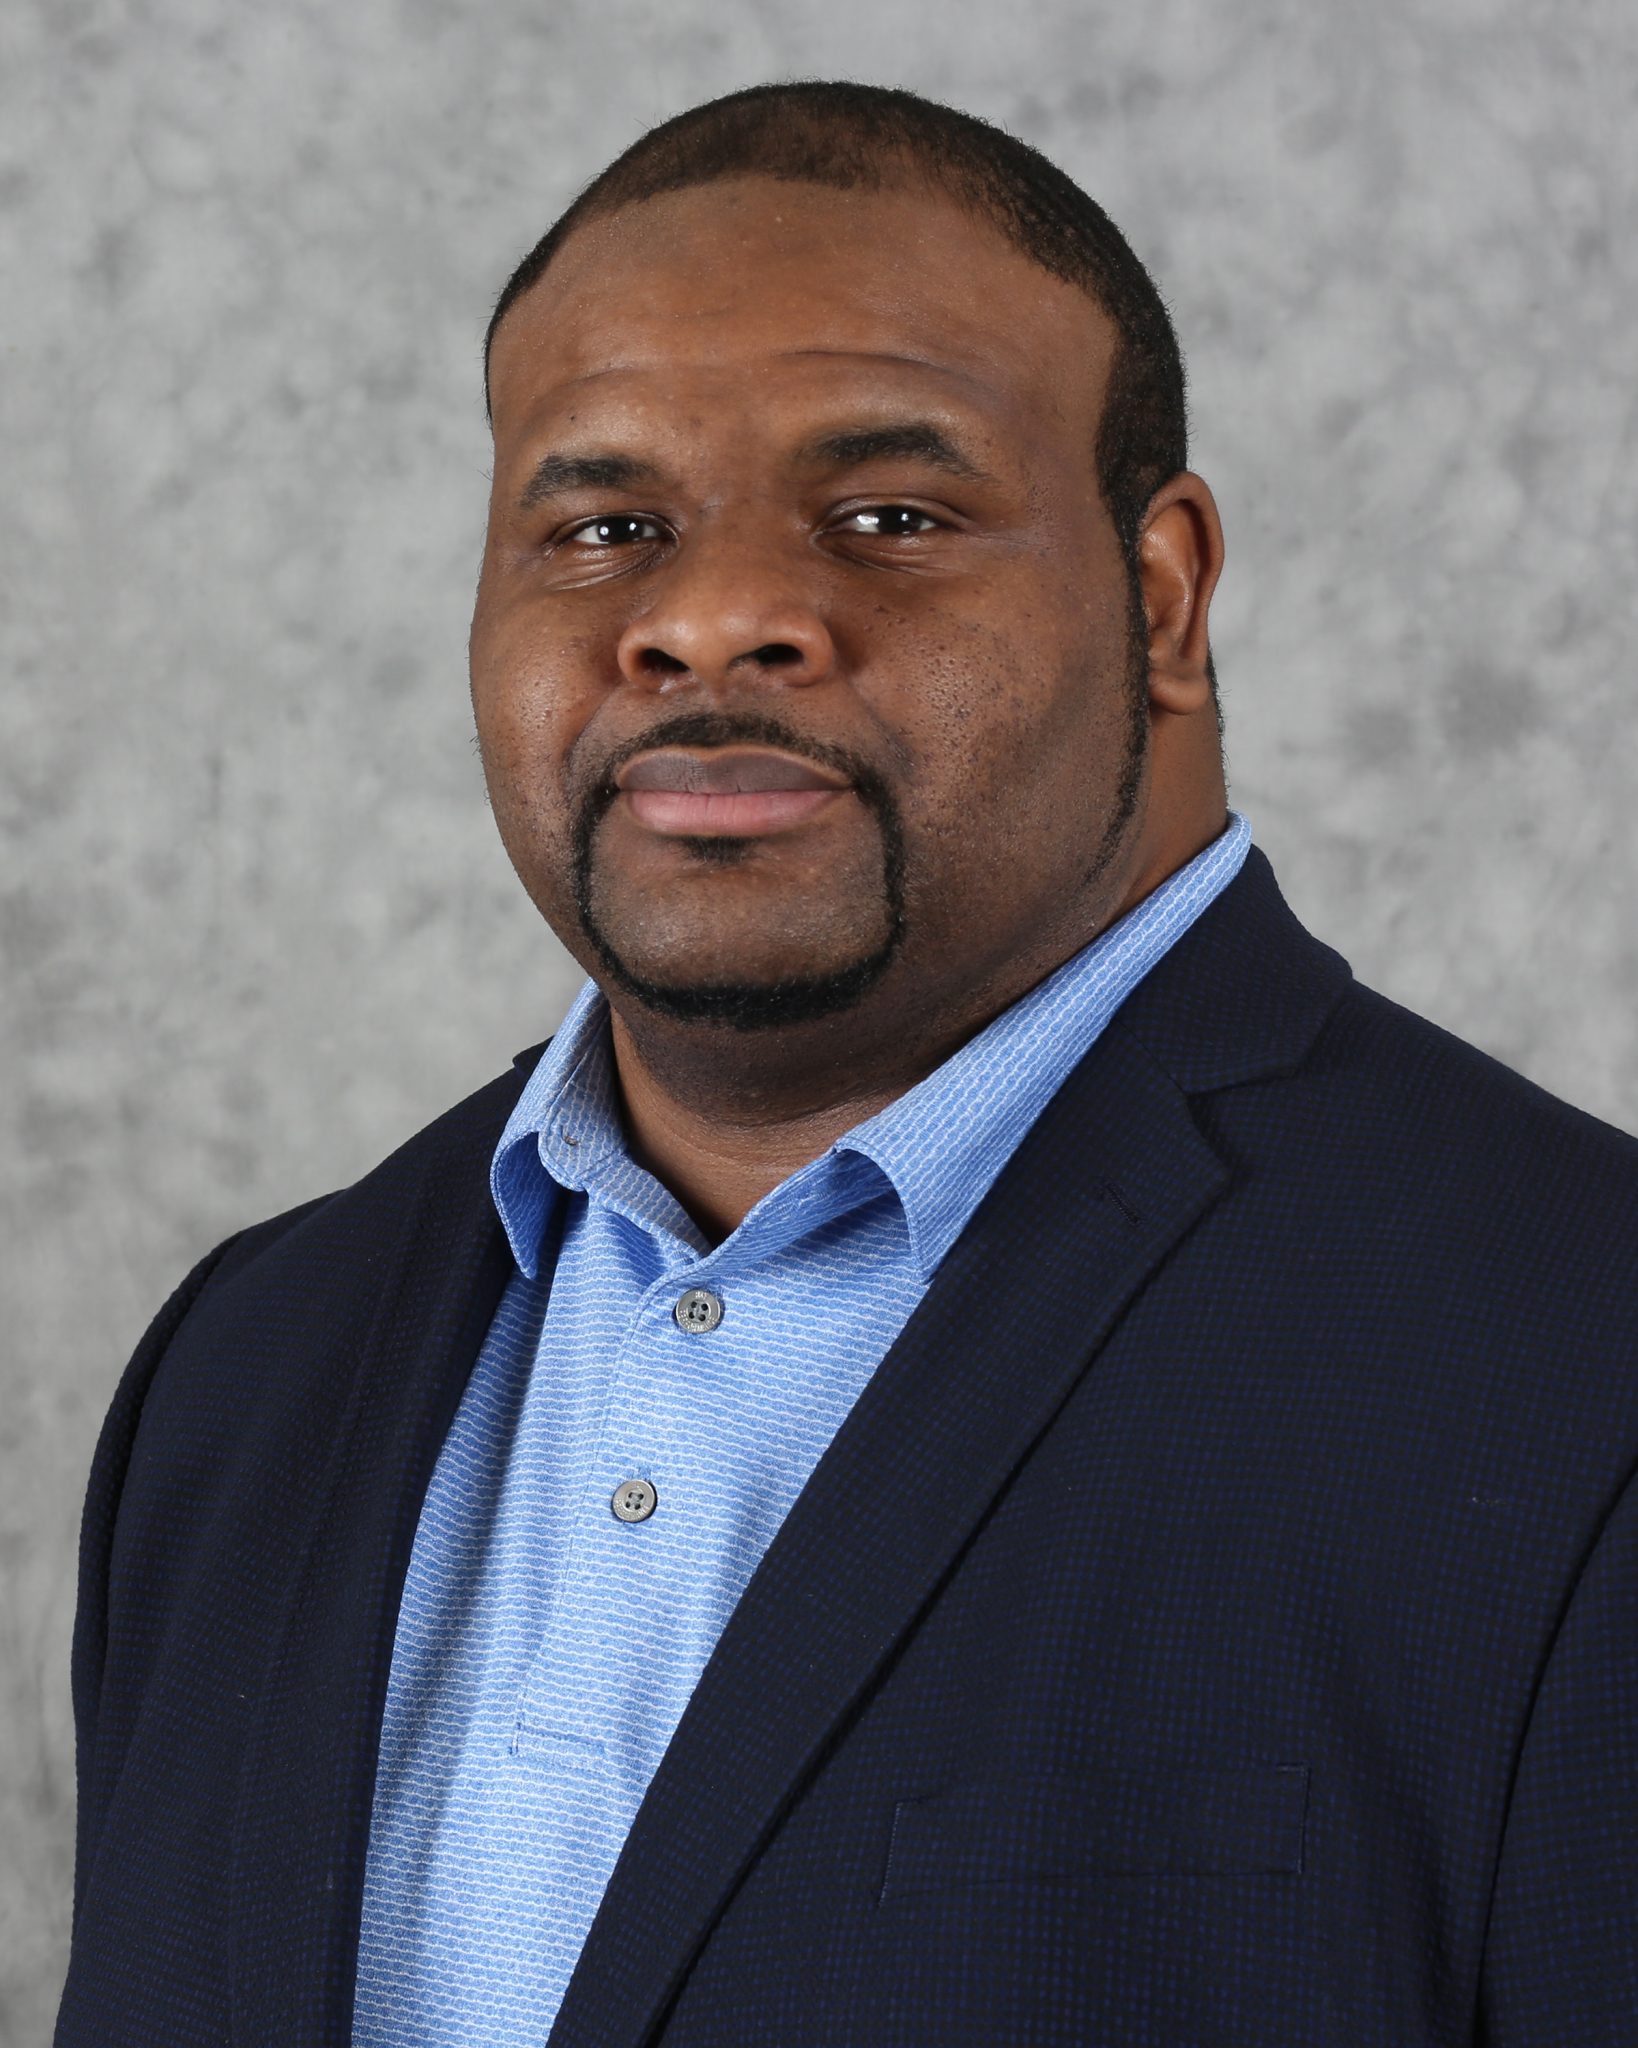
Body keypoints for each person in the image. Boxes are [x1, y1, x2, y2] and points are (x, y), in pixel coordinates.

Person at [54, 80, 1638, 2048]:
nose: (709, 617)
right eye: (604, 526)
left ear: (1161, 596)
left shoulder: (1583, 1363)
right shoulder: (242, 1371)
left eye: (889, 515)